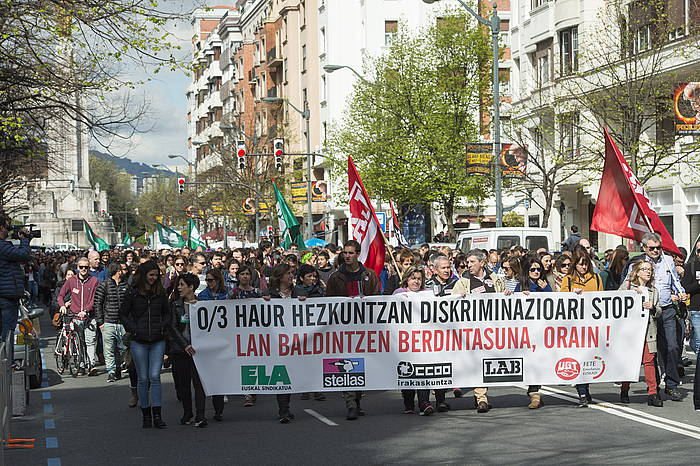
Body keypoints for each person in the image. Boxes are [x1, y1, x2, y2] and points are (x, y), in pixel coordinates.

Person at [624, 233, 686, 401]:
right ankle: (654, 387)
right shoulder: (636, 264)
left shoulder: (668, 260)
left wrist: (681, 293)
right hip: (646, 314)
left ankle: (672, 384)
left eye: (658, 247)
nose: (656, 251)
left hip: (666, 310)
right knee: (653, 352)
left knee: (672, 346)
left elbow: (675, 283)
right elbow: (627, 285)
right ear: (644, 248)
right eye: (652, 248)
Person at [326, 240, 381, 420]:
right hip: (343, 328)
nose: (347, 256)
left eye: (350, 253)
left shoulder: (369, 275)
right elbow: (329, 302)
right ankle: (350, 403)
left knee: (362, 363)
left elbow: (376, 300)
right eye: (345, 253)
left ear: (357, 254)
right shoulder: (336, 277)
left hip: (364, 327)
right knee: (347, 363)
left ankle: (357, 400)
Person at [451, 250, 504, 413]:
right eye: (468, 262)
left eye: (472, 262)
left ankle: (480, 396)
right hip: (472, 331)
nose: (468, 265)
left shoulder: (495, 280)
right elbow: (451, 304)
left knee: (485, 363)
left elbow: (504, 301)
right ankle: (481, 398)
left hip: (492, 330)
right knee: (477, 363)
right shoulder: (463, 282)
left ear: (482, 262)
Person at [119, 261, 170, 429]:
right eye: (151, 275)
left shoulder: (161, 293)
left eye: (156, 275)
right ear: (144, 275)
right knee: (143, 378)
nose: (154, 278)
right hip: (139, 340)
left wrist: (162, 327)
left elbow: (167, 314)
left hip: (157, 340)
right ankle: (146, 415)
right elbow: (123, 314)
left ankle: (157, 415)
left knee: (155, 377)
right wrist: (134, 330)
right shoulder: (132, 293)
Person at [560, 249, 603, 407]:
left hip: (592, 325)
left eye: (586, 264)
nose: (583, 267)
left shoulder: (596, 278)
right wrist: (571, 293)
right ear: (575, 265)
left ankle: (587, 387)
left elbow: (603, 300)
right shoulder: (568, 279)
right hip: (575, 326)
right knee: (577, 357)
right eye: (580, 265)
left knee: (589, 358)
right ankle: (582, 392)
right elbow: (561, 299)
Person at [168, 273, 211, 427]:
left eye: (182, 285)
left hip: (199, 351)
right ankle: (188, 413)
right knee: (184, 384)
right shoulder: (175, 305)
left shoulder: (203, 305)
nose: (179, 288)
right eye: (178, 285)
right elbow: (172, 327)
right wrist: (185, 344)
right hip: (181, 350)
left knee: (199, 384)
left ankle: (201, 415)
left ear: (191, 287)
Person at [263, 263, 304, 423]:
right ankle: (284, 410)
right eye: (288, 273)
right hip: (277, 341)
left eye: (292, 273)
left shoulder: (298, 292)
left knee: (293, 373)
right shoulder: (269, 294)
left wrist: (304, 302)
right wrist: (263, 302)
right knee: (282, 375)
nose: (291, 276)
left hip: (296, 340)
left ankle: (286, 407)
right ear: (280, 276)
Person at [619, 261, 663, 407]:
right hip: (631, 332)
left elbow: (659, 311)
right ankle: (624, 390)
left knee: (649, 362)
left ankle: (653, 393)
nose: (647, 272)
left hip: (648, 331)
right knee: (630, 362)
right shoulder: (628, 286)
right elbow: (616, 302)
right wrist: (632, 294)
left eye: (650, 270)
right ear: (637, 272)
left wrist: (653, 308)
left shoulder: (654, 290)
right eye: (644, 269)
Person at [393, 267, 435, 416]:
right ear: (406, 279)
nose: (416, 281)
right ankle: (409, 403)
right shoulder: (399, 293)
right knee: (407, 372)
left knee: (423, 371)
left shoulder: (427, 294)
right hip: (404, 340)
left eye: (418, 278)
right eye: (412, 278)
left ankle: (424, 402)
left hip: (423, 339)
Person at [514, 257, 551, 409]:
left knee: (537, 362)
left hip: (541, 331)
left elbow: (554, 303)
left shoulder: (545, 284)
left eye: (539, 269)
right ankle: (532, 392)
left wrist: (546, 290)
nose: (536, 272)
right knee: (528, 363)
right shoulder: (520, 286)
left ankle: (534, 394)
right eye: (533, 269)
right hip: (526, 331)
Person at [58, 257, 100, 375]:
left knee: (90, 341)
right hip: (75, 317)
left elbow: (94, 299)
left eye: (86, 267)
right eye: (81, 267)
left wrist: (86, 310)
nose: (83, 269)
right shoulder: (71, 281)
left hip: (89, 317)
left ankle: (91, 365)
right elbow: (61, 295)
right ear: (77, 268)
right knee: (79, 341)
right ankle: (81, 365)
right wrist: (62, 305)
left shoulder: (94, 281)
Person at [0, 213, 32, 363]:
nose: (8, 231)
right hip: (6, 296)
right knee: (8, 332)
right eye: (7, 227)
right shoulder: (2, 247)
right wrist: (25, 240)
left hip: (6, 294)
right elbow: (24, 255)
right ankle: (7, 363)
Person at [94, 261, 129, 382]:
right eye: (122, 270)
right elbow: (97, 303)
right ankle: (111, 371)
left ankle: (118, 366)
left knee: (123, 348)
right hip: (108, 322)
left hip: (123, 323)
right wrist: (100, 322)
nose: (124, 272)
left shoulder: (126, 285)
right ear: (117, 271)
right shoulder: (104, 285)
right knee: (108, 349)